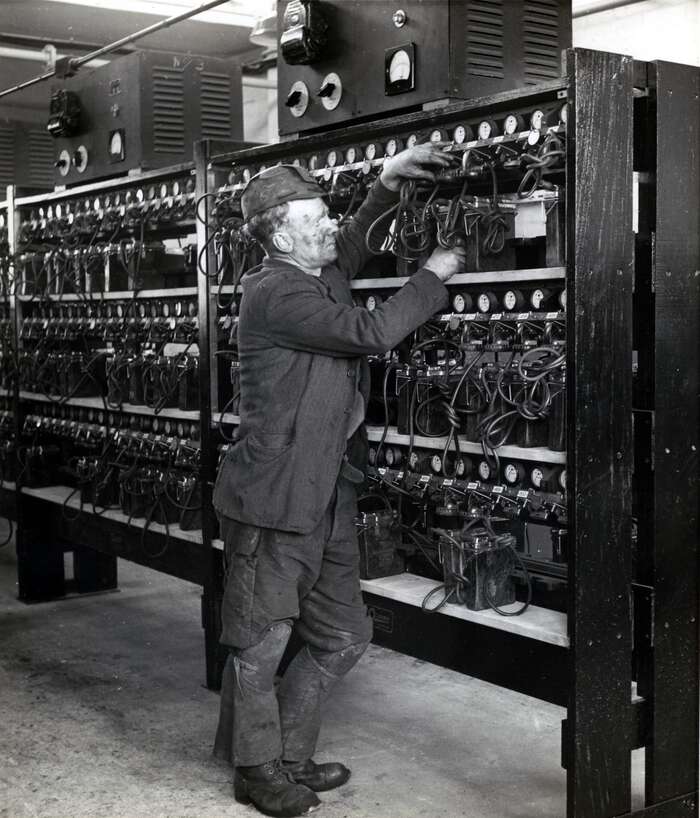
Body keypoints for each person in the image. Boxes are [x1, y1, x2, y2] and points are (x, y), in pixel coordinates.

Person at [212, 143, 465, 817]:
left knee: (343, 634)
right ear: (281, 231)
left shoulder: (317, 270)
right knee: (260, 641)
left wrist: (384, 183)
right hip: (272, 496)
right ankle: (257, 769)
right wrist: (432, 277)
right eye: (317, 215)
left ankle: (289, 758)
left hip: (326, 491)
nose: (330, 222)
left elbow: (349, 243)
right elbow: (374, 330)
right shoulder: (275, 292)